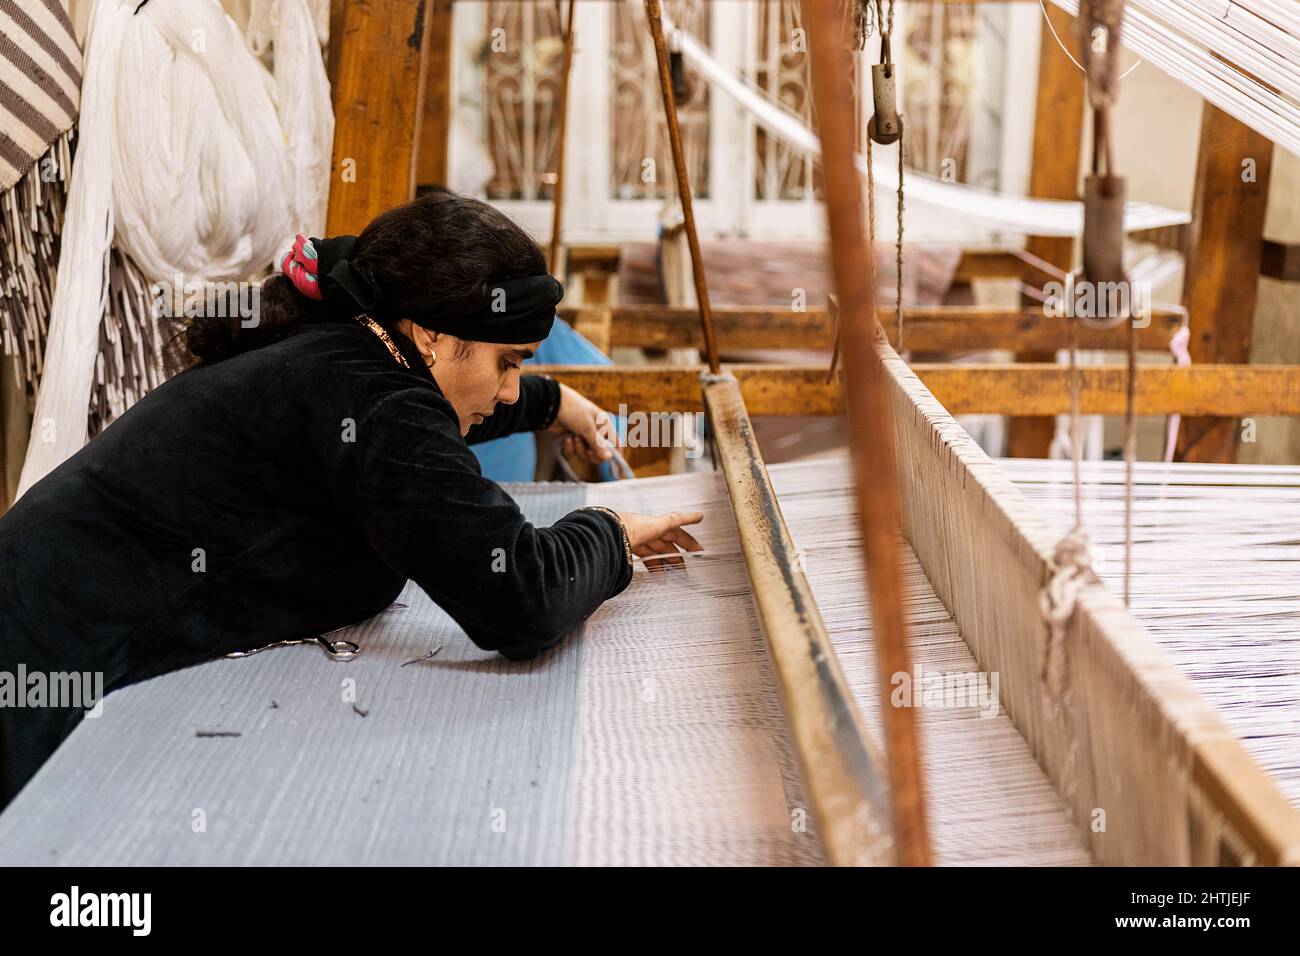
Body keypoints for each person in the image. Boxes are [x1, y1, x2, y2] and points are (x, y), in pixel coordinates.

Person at [0, 189, 703, 808]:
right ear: (430, 333)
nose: (508, 388)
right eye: (509, 363)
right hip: (34, 666)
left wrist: (555, 404)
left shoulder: (348, 346)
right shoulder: (378, 404)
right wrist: (609, 531)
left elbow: (446, 412)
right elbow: (521, 598)